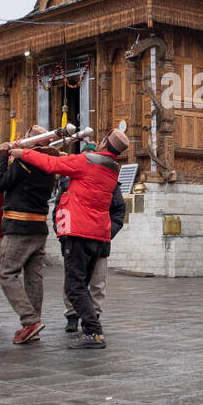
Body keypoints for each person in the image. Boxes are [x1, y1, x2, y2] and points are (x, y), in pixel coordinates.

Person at [13, 128, 130, 349]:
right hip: (98, 234)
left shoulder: (86, 162)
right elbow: (67, 161)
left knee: (74, 287)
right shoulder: (111, 169)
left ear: (104, 143)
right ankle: (89, 330)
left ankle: (94, 332)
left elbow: (51, 165)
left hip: (80, 231)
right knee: (82, 286)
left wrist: (22, 153)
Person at [0, 125, 58, 343]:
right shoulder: (48, 165)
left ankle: (30, 320)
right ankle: (33, 323)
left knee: (6, 273)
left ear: (31, 143)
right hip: (38, 228)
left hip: (19, 225)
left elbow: (0, 184)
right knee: (34, 278)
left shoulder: (25, 161)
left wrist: (0, 158)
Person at [54, 142, 127, 333]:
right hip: (74, 237)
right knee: (73, 281)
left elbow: (118, 211)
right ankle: (72, 316)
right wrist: (63, 234)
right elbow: (59, 209)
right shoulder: (67, 182)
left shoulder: (110, 183)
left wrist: (107, 231)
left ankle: (93, 319)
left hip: (100, 240)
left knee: (97, 282)